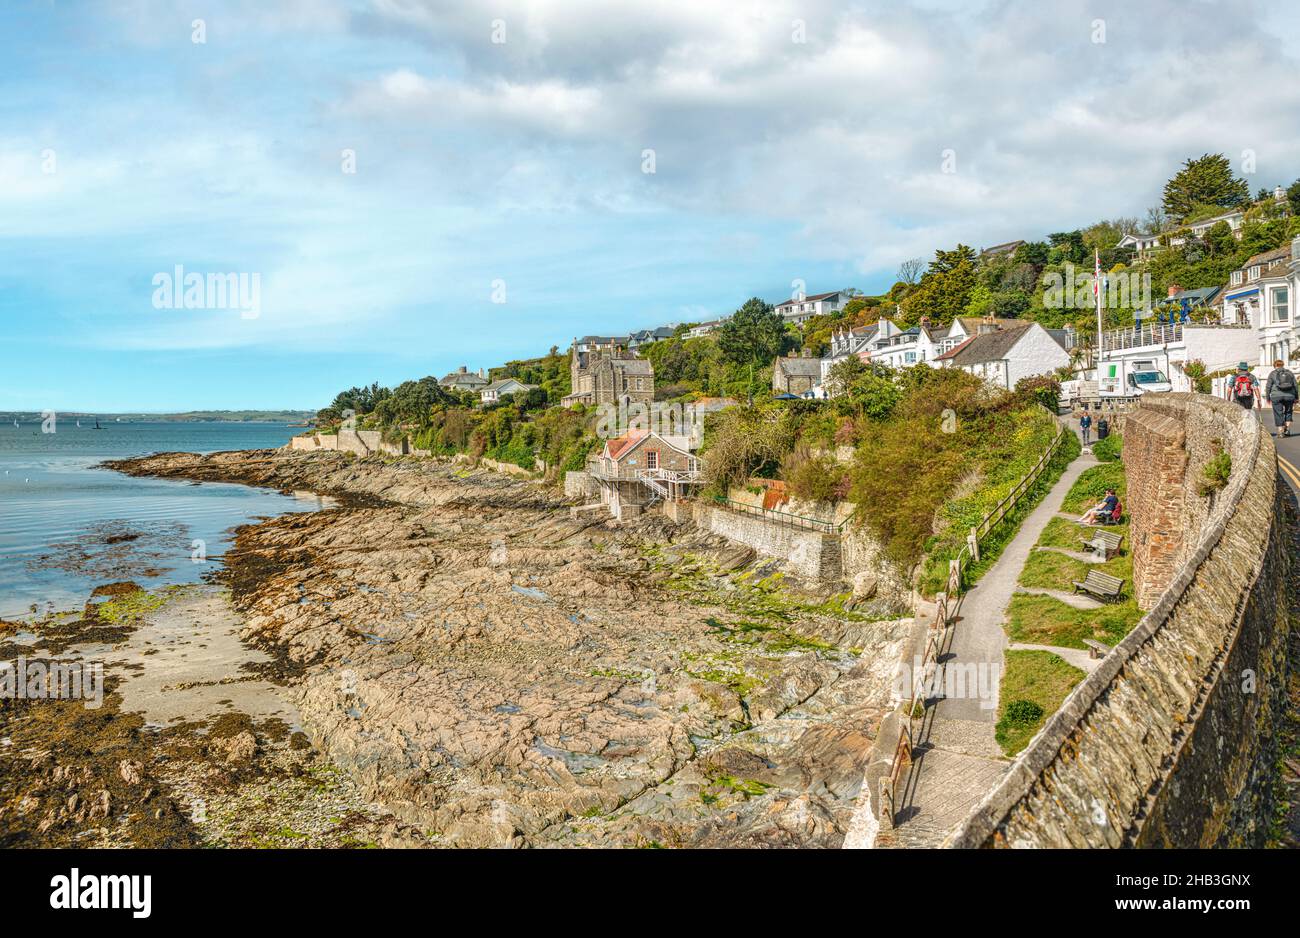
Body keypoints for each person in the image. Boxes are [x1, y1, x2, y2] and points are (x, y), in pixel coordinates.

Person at [1265, 358, 1297, 437]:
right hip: (1290, 395)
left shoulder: (1272, 373)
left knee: (1278, 413)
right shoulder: (1290, 373)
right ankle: (1287, 429)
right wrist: (1296, 397)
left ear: (1275, 365)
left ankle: (1280, 431)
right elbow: (1295, 386)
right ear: (1283, 365)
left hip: (1276, 396)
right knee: (1288, 412)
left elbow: (1268, 386)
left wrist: (1268, 398)